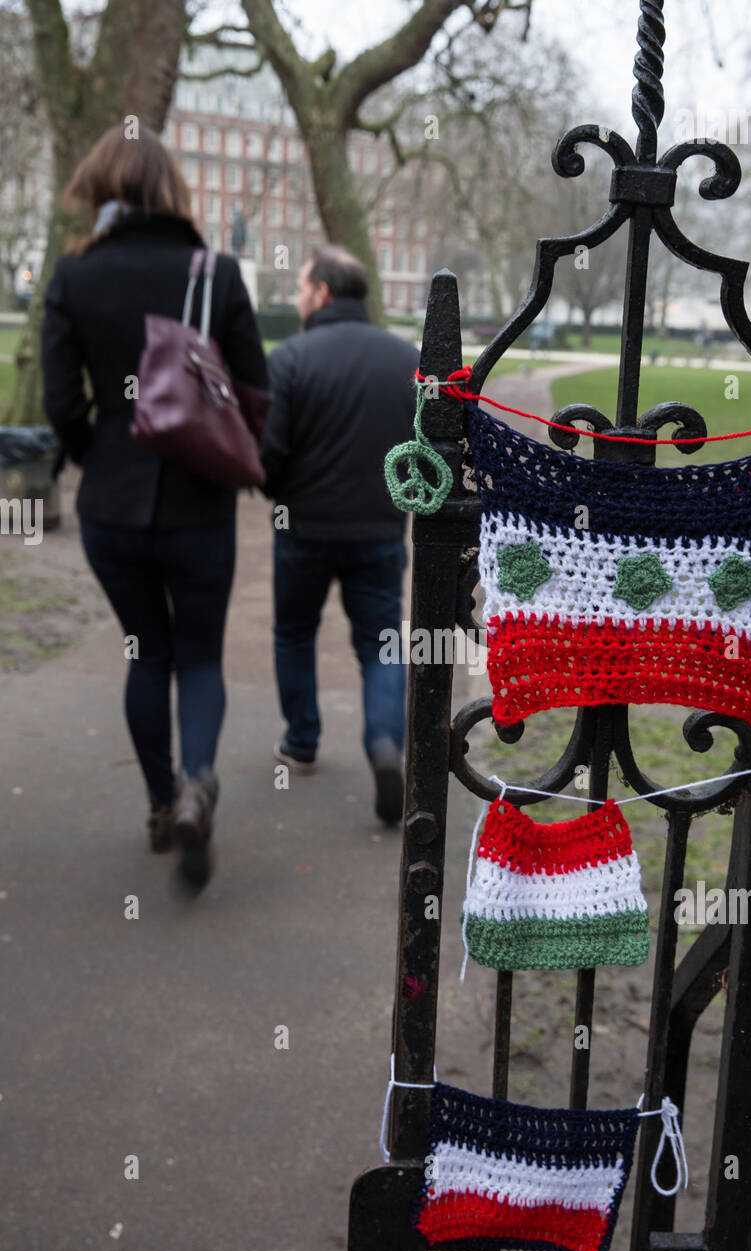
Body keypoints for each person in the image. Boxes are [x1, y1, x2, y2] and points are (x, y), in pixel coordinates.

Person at [41, 124, 268, 888]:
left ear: (101, 190)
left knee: (147, 650)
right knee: (200, 654)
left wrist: (93, 452)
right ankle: (200, 781)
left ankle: (161, 801)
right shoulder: (218, 272)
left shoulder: (74, 277)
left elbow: (57, 402)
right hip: (199, 497)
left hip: (110, 501)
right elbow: (255, 390)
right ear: (172, 189)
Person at [261, 246, 419, 824]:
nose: (298, 298)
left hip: (302, 527)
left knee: (294, 633)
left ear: (323, 292)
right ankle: (383, 744)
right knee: (379, 641)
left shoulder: (291, 357)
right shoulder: (407, 359)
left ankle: (301, 741)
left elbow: (269, 450)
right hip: (379, 528)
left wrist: (279, 492)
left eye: (302, 287)